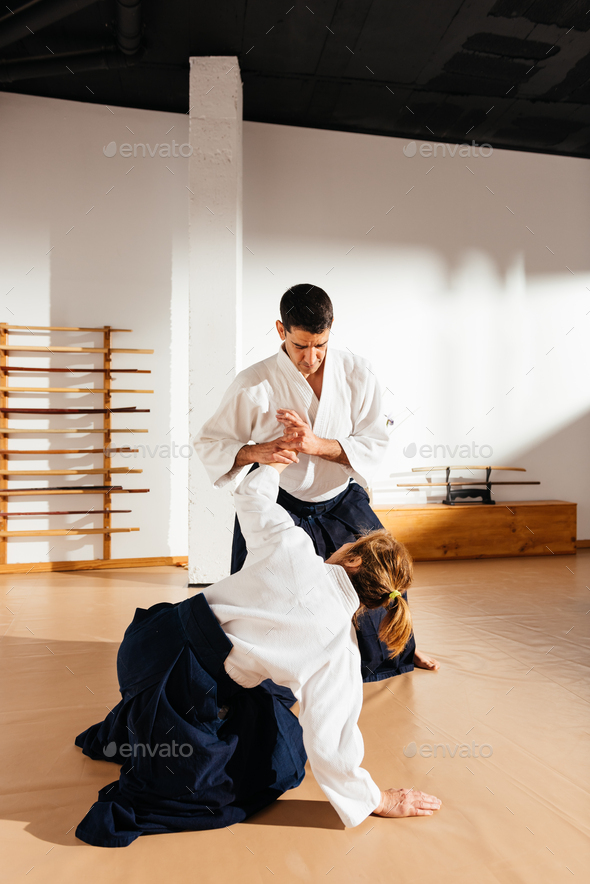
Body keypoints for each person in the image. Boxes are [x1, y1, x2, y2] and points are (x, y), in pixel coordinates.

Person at [74, 459, 441, 847]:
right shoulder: (340, 651)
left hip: (145, 643)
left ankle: (139, 722)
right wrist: (376, 798)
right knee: (284, 760)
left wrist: (275, 462)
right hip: (180, 691)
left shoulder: (293, 545)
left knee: (263, 705)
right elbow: (331, 744)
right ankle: (154, 734)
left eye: (350, 543)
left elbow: (251, 494)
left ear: (353, 559)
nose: (344, 542)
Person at [194, 283, 439, 681]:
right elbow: (210, 444)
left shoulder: (357, 373)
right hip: (282, 502)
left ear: (331, 331)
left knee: (385, 572)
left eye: (320, 345)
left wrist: (316, 444)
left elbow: (375, 442)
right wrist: (259, 452)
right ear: (280, 330)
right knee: (263, 592)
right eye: (300, 346)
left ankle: (399, 652)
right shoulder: (253, 384)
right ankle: (261, 670)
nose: (311, 357)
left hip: (338, 497)